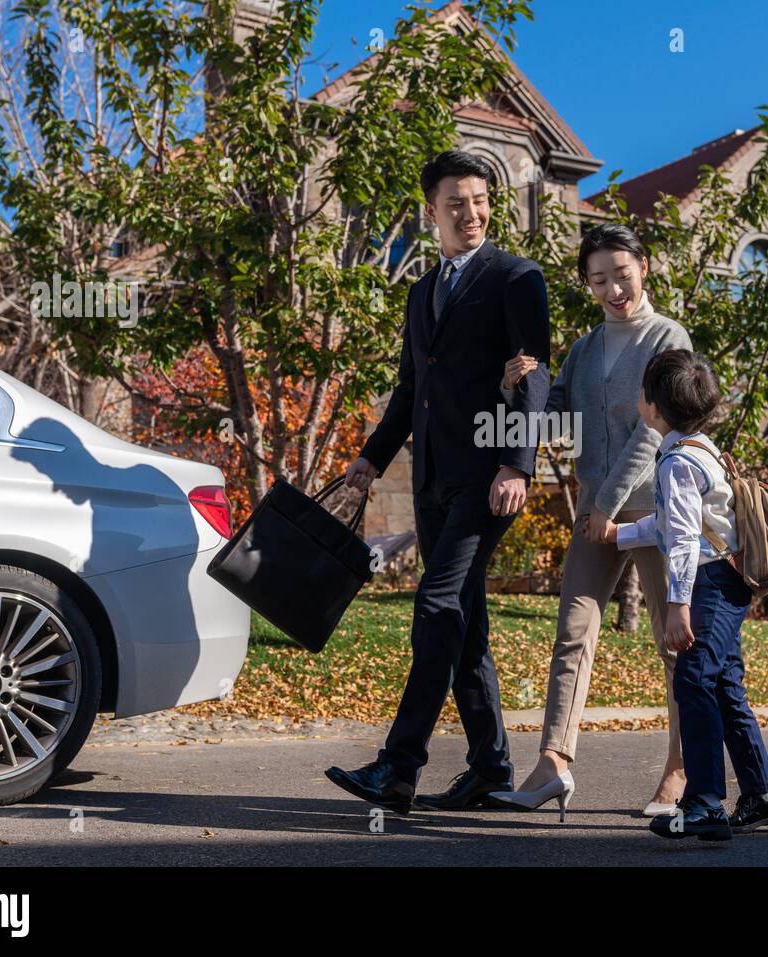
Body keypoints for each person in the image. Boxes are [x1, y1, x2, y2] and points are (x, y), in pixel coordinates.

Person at [323, 150, 550, 815]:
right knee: (466, 625)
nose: (472, 212)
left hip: (487, 476)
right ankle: (489, 765)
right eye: (457, 202)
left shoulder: (517, 277)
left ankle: (399, 766)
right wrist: (371, 457)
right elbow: (410, 388)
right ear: (432, 212)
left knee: (437, 604)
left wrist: (518, 463)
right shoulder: (421, 291)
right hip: (432, 481)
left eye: (481, 200)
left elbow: (533, 373)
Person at [489, 224, 693, 820]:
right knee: (573, 631)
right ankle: (553, 763)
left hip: (654, 509)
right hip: (593, 508)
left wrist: (606, 505)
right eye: (598, 280)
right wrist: (515, 390)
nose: (612, 289)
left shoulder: (666, 336)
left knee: (673, 641)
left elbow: (654, 430)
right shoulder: (582, 349)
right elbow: (554, 424)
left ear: (644, 269)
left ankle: (679, 770)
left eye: (621, 275)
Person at [603, 349, 768, 840]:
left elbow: (685, 542)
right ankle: (764, 796)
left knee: (692, 681)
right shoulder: (698, 448)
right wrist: (617, 536)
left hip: (708, 584)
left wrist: (677, 607)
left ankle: (705, 803)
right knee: (724, 686)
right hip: (725, 581)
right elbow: (675, 525)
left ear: (653, 407)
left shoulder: (677, 463)